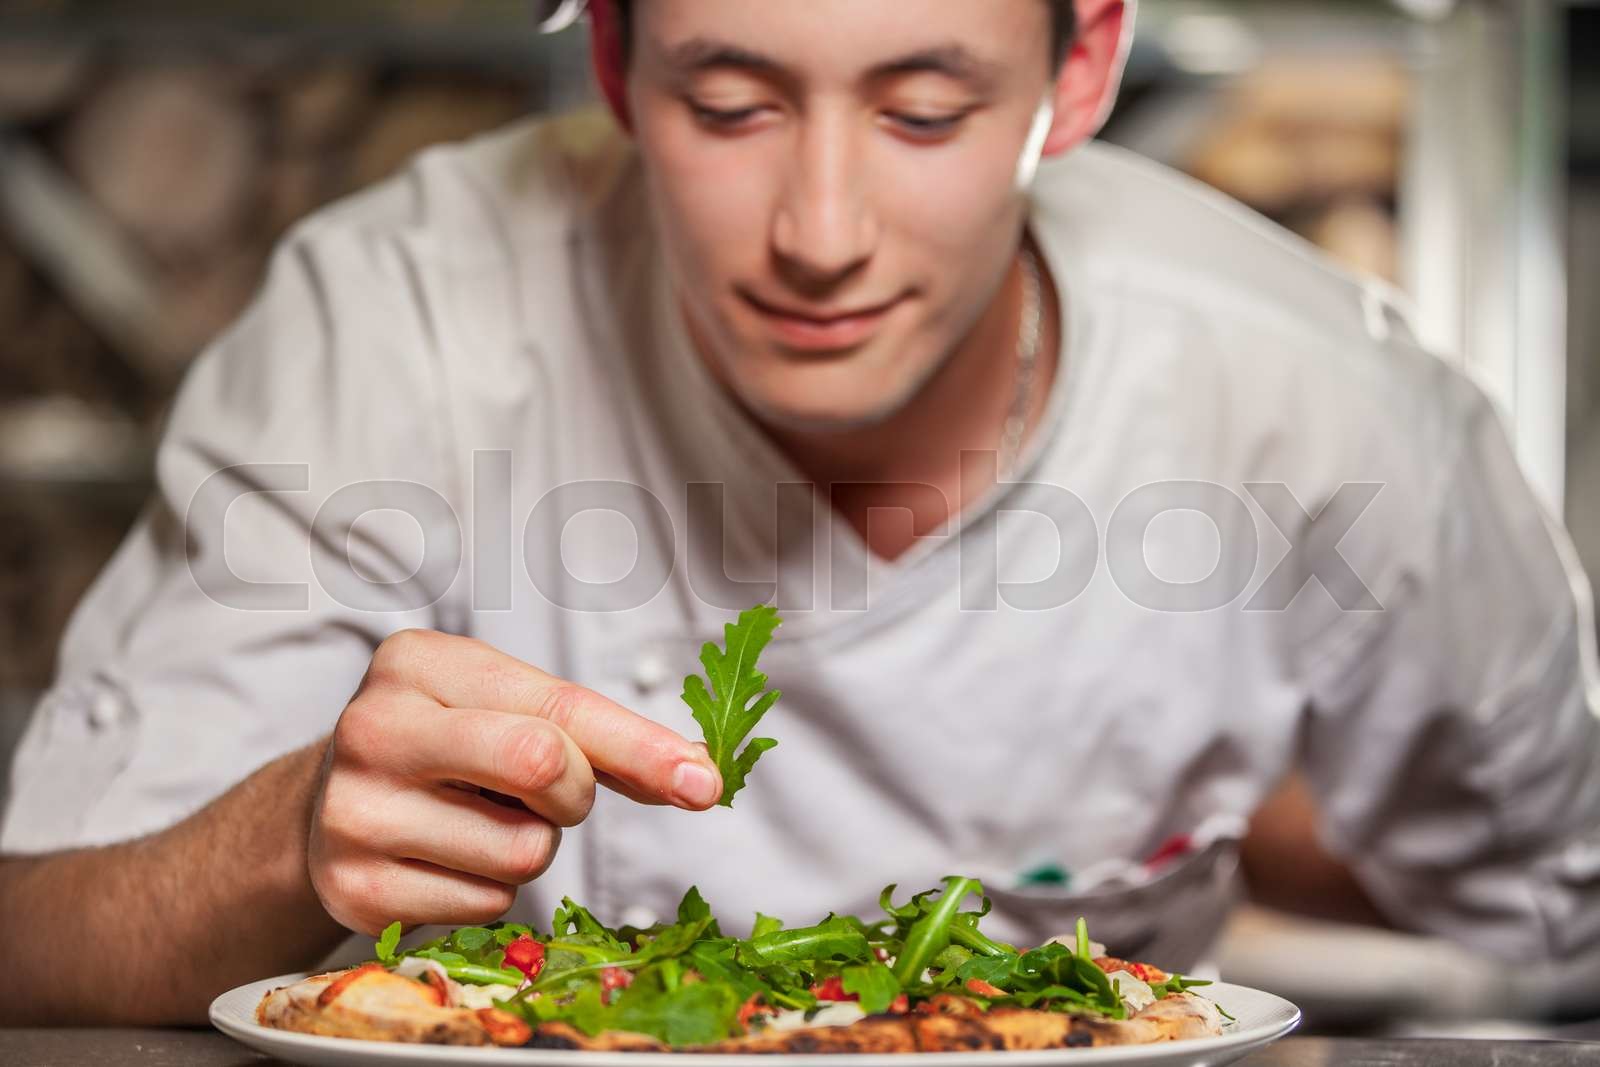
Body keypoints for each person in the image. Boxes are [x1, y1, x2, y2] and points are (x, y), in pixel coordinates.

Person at [2, 0, 1597, 1027]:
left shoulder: (1333, 414)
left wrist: (1198, 788)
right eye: (733, 103)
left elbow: (1551, 900)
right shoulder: (396, 319)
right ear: (617, 62)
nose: (820, 235)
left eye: (922, 113)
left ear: (1084, 65)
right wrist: (291, 838)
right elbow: (37, 945)